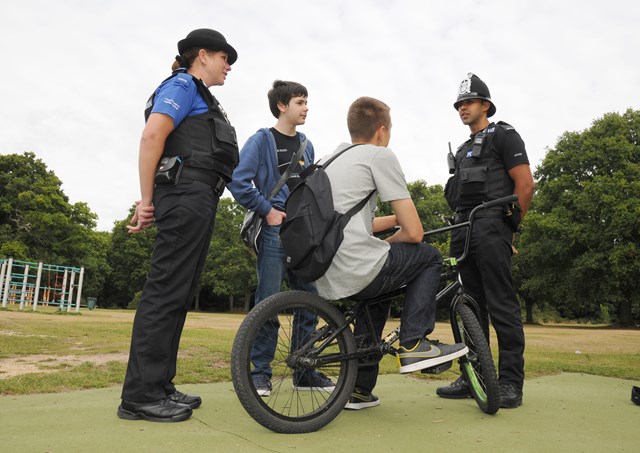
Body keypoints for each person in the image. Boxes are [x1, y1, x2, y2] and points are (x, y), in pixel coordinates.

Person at [312, 96, 468, 410]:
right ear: (381, 131)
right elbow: (415, 234)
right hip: (357, 266)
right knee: (429, 256)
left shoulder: (331, 159)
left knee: (377, 298)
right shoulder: (379, 156)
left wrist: (391, 224)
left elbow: (354, 224)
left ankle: (358, 389)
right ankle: (414, 342)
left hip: (325, 269)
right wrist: (394, 237)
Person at [118, 28, 239, 423]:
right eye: (225, 58)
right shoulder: (183, 84)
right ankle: (139, 396)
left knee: (181, 292)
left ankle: (160, 385)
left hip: (200, 196)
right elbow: (152, 135)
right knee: (165, 290)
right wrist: (147, 199)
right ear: (202, 55)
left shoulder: (202, 96)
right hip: (184, 195)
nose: (228, 67)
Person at [228, 80, 335, 397]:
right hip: (273, 230)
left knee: (309, 300)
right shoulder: (261, 140)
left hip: (302, 234)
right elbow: (238, 181)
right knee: (268, 303)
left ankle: (304, 370)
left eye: (307, 102)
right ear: (282, 106)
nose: (306, 108)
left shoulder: (307, 144)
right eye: (300, 102)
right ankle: (260, 373)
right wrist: (267, 209)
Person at [438, 73, 535, 408]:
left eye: (468, 102)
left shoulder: (505, 136)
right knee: (469, 306)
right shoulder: (464, 149)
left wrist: (510, 229)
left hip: (492, 227)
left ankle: (510, 384)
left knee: (502, 305)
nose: (462, 108)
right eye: (459, 104)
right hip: (461, 231)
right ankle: (474, 378)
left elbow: (525, 186)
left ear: (486, 105)